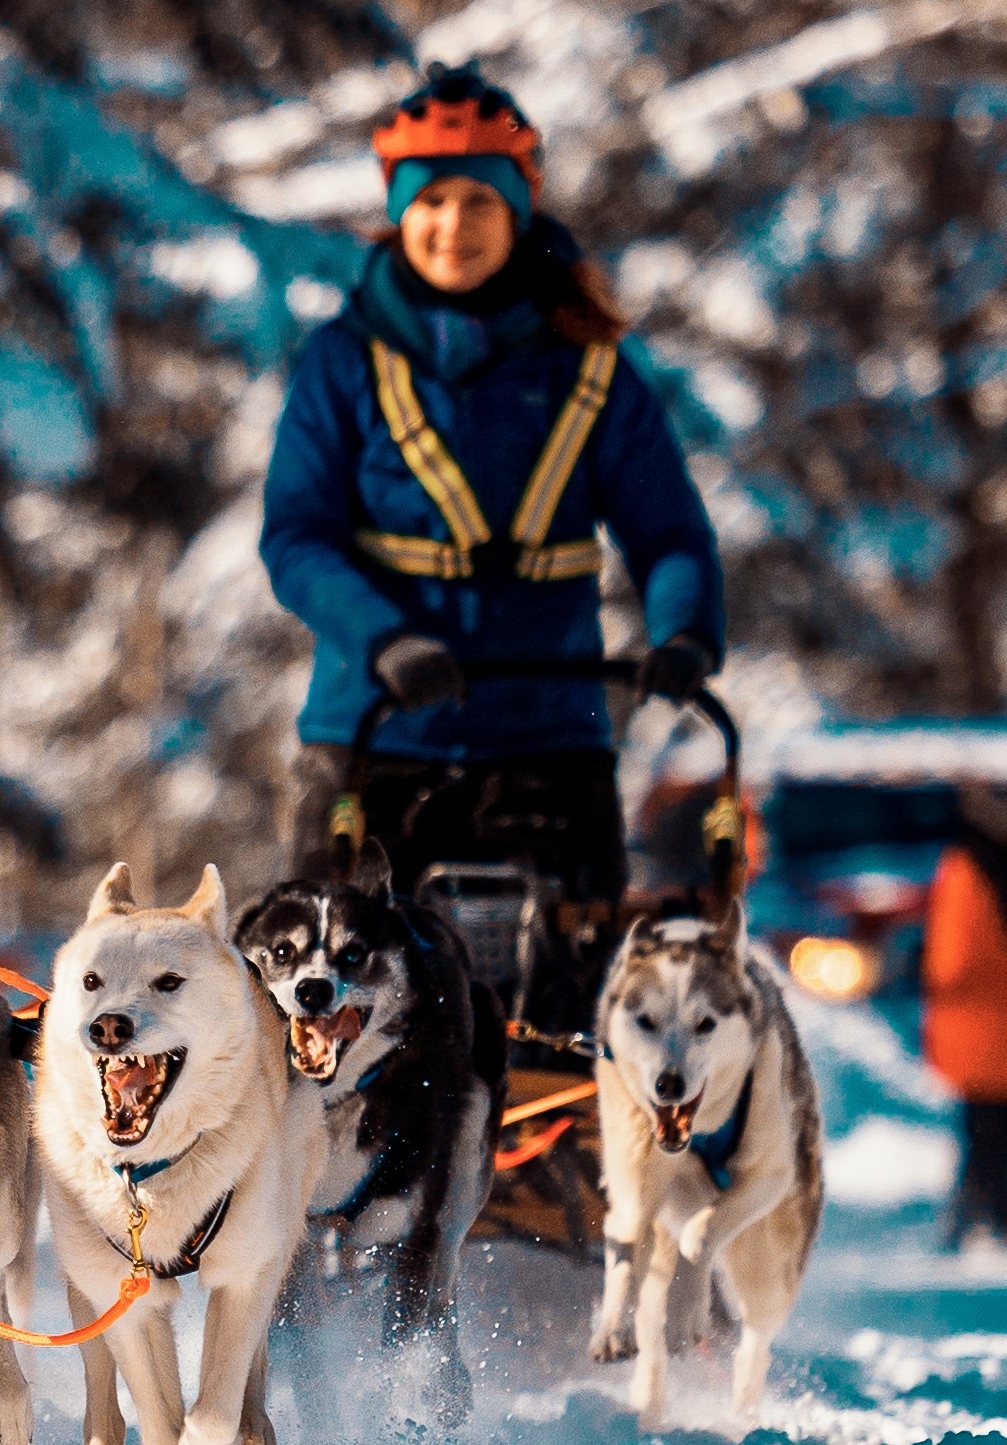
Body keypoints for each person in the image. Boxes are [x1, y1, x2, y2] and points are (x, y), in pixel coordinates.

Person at [260, 63, 725, 1018]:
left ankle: (562, 1159)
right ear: (399, 214)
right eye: (431, 201)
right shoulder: (346, 364)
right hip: (373, 739)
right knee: (327, 1027)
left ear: (518, 213)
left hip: (548, 743)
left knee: (570, 1026)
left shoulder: (589, 366)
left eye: (480, 199)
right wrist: (389, 640)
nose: (454, 224)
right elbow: (297, 537)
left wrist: (681, 633)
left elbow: (670, 532)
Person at [923, 785, 1007, 1247]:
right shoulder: (992, 868)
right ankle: (993, 1223)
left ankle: (977, 1222)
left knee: (985, 1138)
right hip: (999, 1026)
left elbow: (947, 959)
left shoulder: (963, 867)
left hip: (977, 1029)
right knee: (998, 1137)